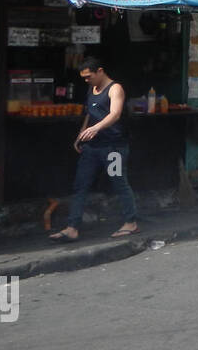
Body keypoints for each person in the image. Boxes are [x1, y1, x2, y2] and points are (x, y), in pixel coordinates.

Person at [50, 56, 137, 241]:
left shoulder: (115, 89)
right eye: (84, 77)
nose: (86, 80)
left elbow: (115, 114)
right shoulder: (92, 89)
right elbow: (90, 115)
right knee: (80, 185)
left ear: (100, 71)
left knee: (119, 182)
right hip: (92, 148)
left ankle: (131, 222)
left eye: (89, 76)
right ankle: (72, 227)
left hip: (113, 147)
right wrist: (81, 135)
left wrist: (96, 128)